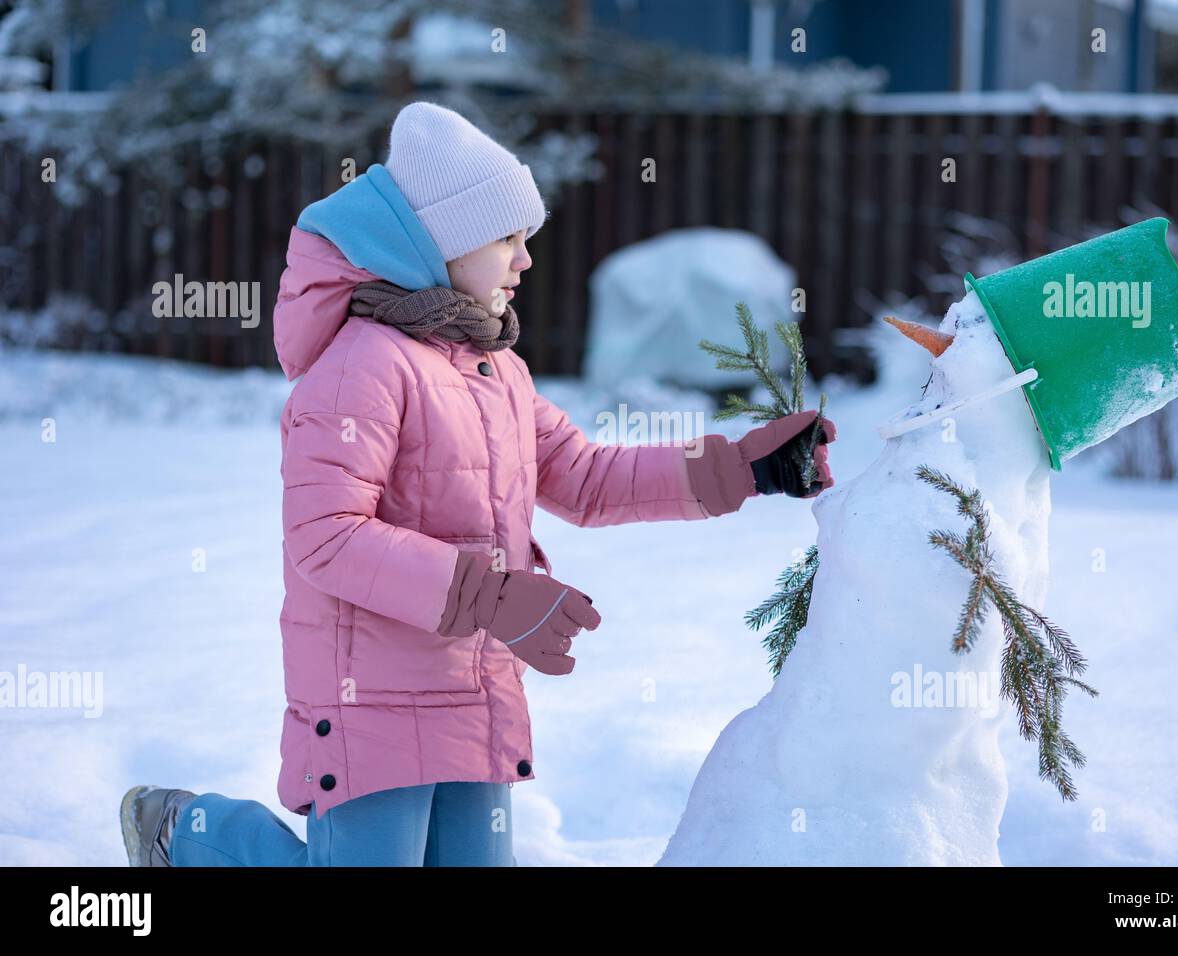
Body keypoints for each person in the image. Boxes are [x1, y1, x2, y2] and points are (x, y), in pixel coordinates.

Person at [120, 102, 837, 867]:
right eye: (507, 239)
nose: (525, 260)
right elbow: (326, 538)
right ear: (439, 245)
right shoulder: (361, 367)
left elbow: (586, 477)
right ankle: (189, 832)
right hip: (371, 698)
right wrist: (491, 595)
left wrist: (742, 469)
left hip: (473, 686)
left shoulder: (495, 369)